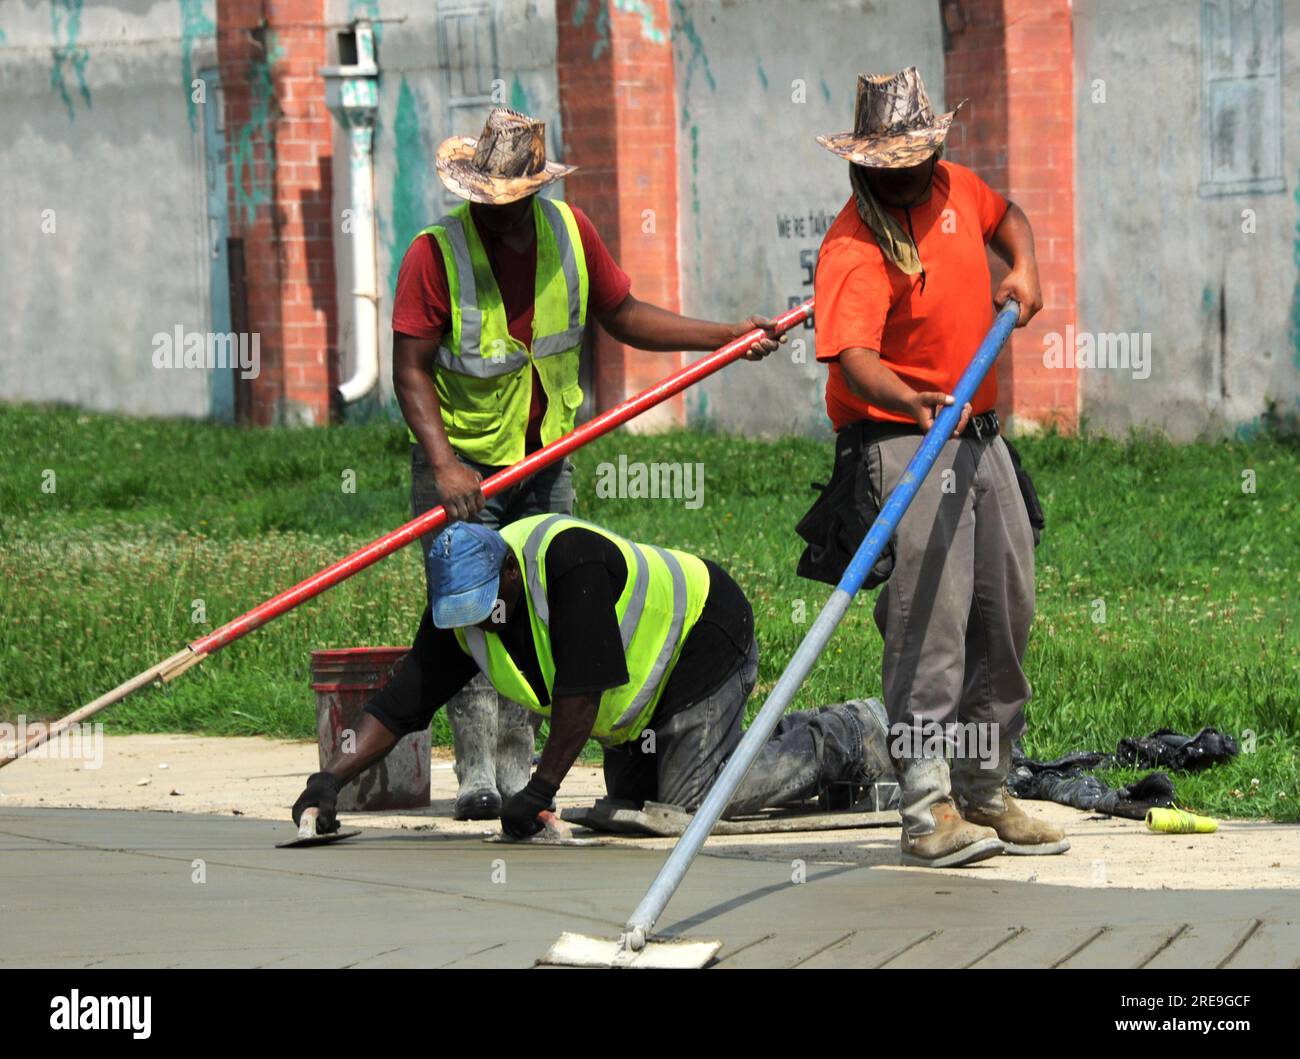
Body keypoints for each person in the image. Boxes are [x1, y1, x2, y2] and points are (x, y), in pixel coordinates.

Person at [391, 107, 784, 820]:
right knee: (467, 614)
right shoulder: (434, 254)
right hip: (467, 470)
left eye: (517, 202)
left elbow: (625, 313)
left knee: (542, 615)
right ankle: (477, 775)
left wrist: (723, 334)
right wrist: (444, 464)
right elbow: (410, 368)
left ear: (537, 191)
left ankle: (525, 775)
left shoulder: (571, 235)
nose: (504, 217)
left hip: (546, 460)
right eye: (491, 203)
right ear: (472, 192)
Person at [811, 67, 1067, 867]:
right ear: (867, 164)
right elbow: (854, 358)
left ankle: (986, 786)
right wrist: (914, 400)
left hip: (979, 435)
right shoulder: (853, 247)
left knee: (1004, 606)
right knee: (931, 617)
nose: (907, 171)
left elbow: (1009, 216)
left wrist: (1022, 268)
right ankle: (926, 807)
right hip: (903, 439)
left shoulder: (958, 188)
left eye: (917, 156)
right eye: (890, 162)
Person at [291, 516, 891, 838]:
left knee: (690, 803)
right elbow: (402, 704)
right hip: (643, 701)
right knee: (631, 803)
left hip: (706, 639)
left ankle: (848, 734)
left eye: (481, 604)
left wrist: (538, 792)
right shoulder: (460, 606)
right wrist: (330, 779)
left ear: (506, 570)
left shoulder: (566, 562)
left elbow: (581, 699)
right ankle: (743, 743)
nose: (473, 622)